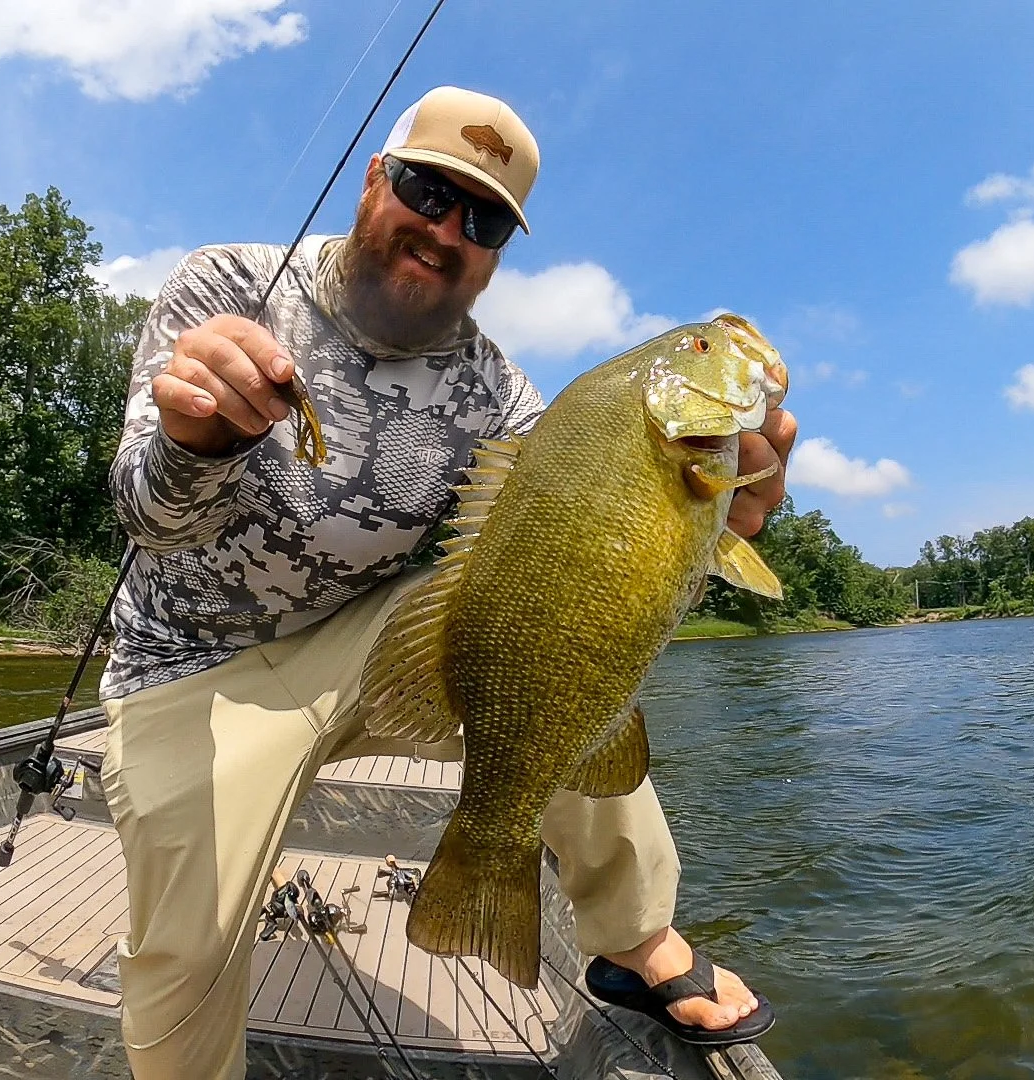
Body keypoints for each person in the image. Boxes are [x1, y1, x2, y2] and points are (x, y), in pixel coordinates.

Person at [99, 85, 799, 1080]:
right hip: (191, 668)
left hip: (370, 646)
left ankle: (635, 935)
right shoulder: (232, 282)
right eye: (429, 191)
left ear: (499, 251)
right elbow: (141, 517)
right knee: (183, 956)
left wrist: (696, 538)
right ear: (374, 180)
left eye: (483, 221)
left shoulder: (506, 397)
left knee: (549, 641)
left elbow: (596, 583)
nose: (444, 232)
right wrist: (191, 439)